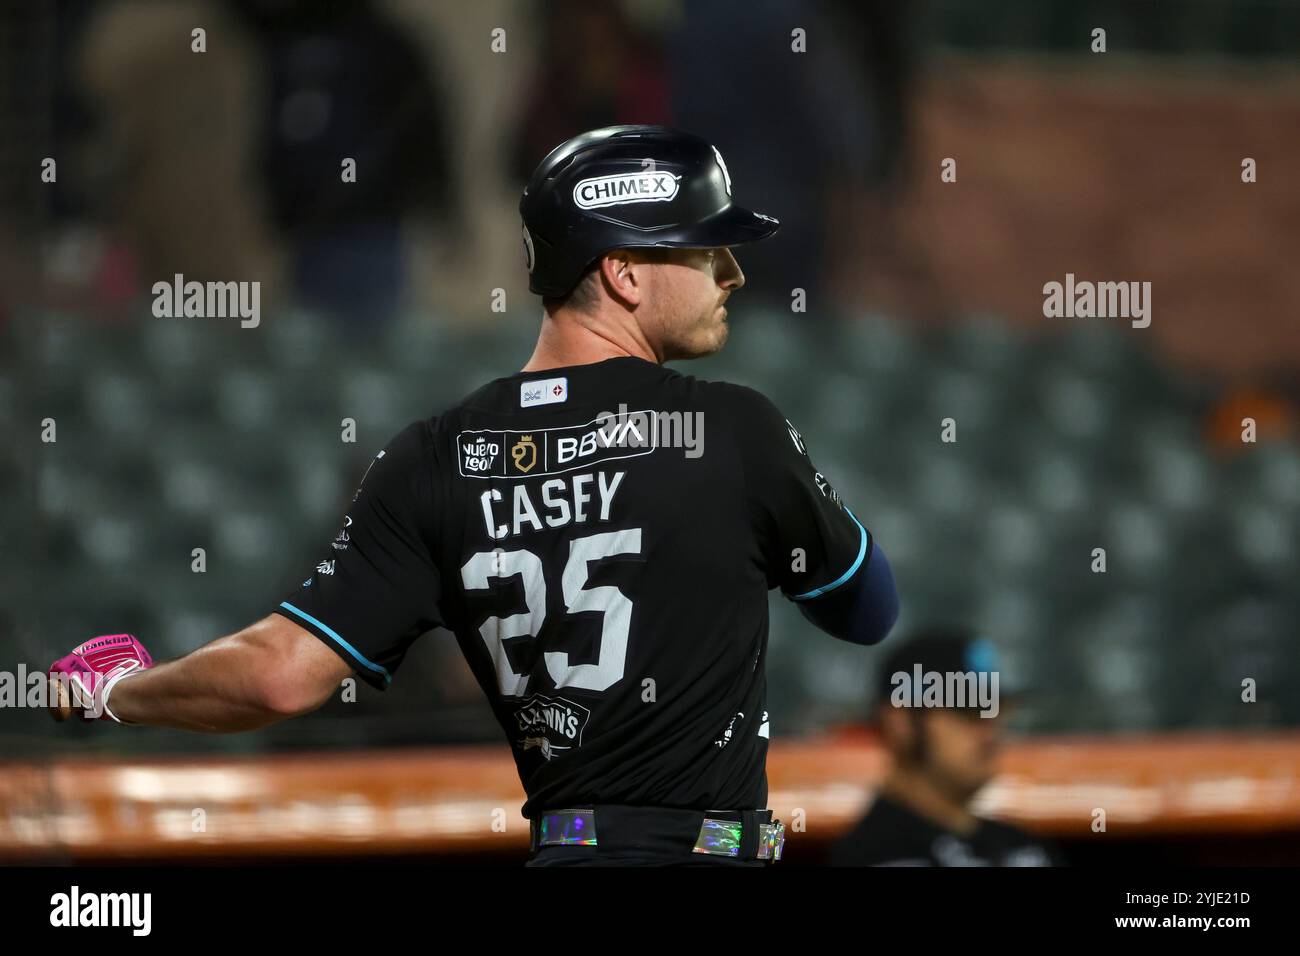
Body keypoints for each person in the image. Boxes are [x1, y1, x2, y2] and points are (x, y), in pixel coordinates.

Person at [48, 125, 900, 867]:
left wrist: (116, 691)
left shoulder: (433, 457)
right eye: (704, 247)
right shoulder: (731, 429)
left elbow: (277, 680)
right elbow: (868, 609)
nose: (732, 273)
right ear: (625, 273)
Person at [830, 627, 1059, 867]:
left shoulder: (1025, 847)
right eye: (968, 711)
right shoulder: (873, 856)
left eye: (996, 711)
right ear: (901, 722)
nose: (990, 733)